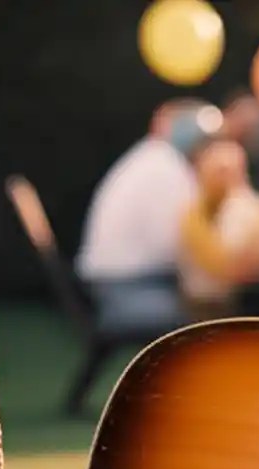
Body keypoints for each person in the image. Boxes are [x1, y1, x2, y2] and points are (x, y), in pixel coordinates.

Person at [76, 98, 210, 333]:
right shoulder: (166, 166)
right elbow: (175, 247)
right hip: (126, 288)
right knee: (215, 317)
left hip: (112, 284)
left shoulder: (150, 158)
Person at [178, 137, 259, 320]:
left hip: (246, 299)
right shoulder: (192, 213)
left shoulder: (246, 206)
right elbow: (223, 267)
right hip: (203, 305)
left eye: (234, 171)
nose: (227, 178)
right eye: (221, 171)